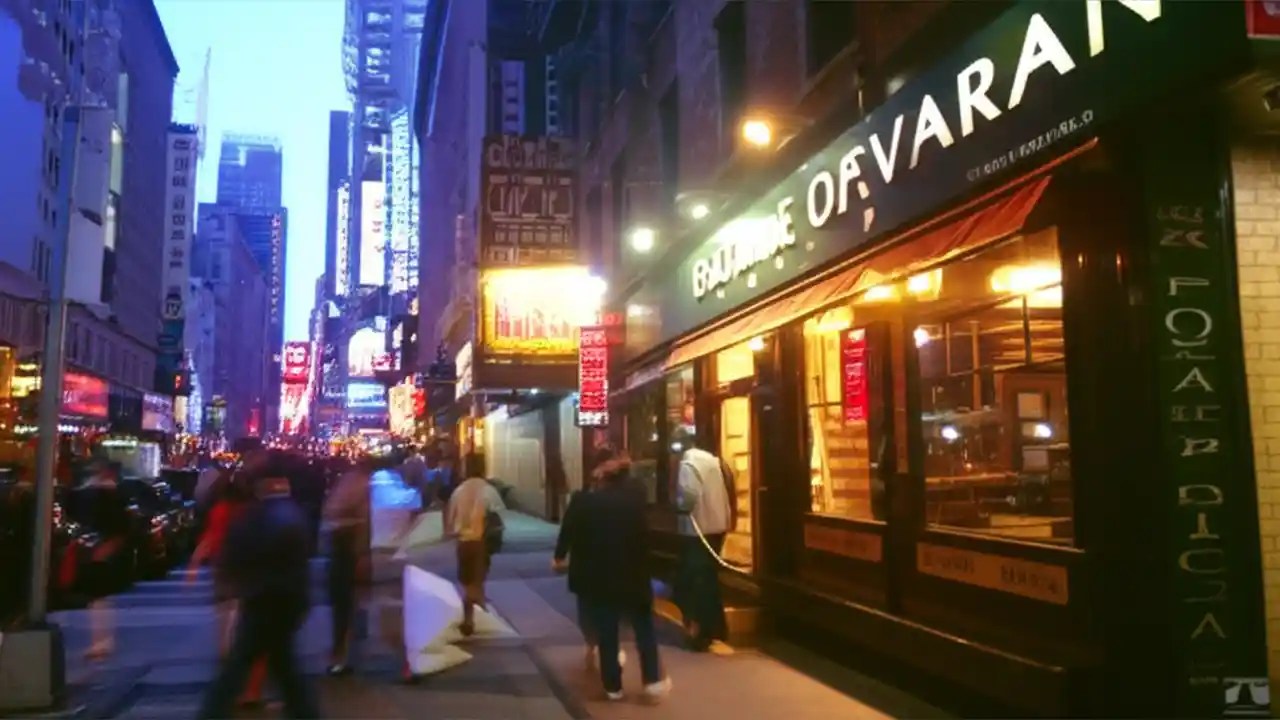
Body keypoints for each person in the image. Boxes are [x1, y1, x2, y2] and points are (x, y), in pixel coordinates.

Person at [198, 451, 320, 720]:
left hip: (264, 601)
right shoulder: (292, 512)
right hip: (286, 599)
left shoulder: (259, 515)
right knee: (284, 669)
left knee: (238, 667)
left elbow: (237, 554)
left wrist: (236, 581)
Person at [567, 445, 670, 702]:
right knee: (644, 629)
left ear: (601, 477)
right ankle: (652, 682)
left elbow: (582, 543)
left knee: (608, 632)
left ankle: (613, 687)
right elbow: (645, 540)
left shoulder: (589, 503)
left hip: (603, 579)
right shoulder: (635, 502)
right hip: (635, 576)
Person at [186, 469, 266, 705]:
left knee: (226, 622)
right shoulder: (252, 511)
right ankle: (248, 687)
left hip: (225, 568)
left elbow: (210, 538)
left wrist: (194, 564)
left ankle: (232, 675)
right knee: (244, 624)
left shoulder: (219, 511)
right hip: (247, 571)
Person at [553, 445, 626, 671]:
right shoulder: (586, 498)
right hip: (597, 562)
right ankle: (597, 643)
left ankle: (599, 644)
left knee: (594, 605)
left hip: (591, 562)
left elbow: (569, 528)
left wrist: (560, 555)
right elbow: (569, 528)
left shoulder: (594, 498)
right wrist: (560, 554)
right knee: (593, 605)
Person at [674, 437, 736, 653]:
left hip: (697, 528)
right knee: (709, 577)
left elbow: (687, 497)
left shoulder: (689, 463)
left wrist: (679, 506)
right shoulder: (714, 461)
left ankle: (700, 631)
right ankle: (717, 628)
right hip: (718, 527)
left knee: (695, 580)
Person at [323, 454, 373, 674]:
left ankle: (341, 654)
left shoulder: (344, 484)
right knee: (348, 604)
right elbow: (364, 522)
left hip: (339, 548)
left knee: (343, 604)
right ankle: (344, 655)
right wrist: (362, 554)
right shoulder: (362, 486)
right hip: (348, 549)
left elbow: (328, 513)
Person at [445, 453, 504, 636]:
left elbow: (449, 521)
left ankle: (471, 619)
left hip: (462, 543)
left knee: (469, 582)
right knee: (477, 583)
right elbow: (498, 513)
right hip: (480, 543)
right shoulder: (488, 490)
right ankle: (478, 616)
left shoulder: (458, 491)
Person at [78, 460, 129, 661]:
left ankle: (101, 642)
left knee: (98, 598)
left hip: (103, 550)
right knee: (100, 600)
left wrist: (106, 548)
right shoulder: (112, 496)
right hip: (105, 550)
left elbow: (119, 528)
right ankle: (103, 641)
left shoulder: (106, 497)